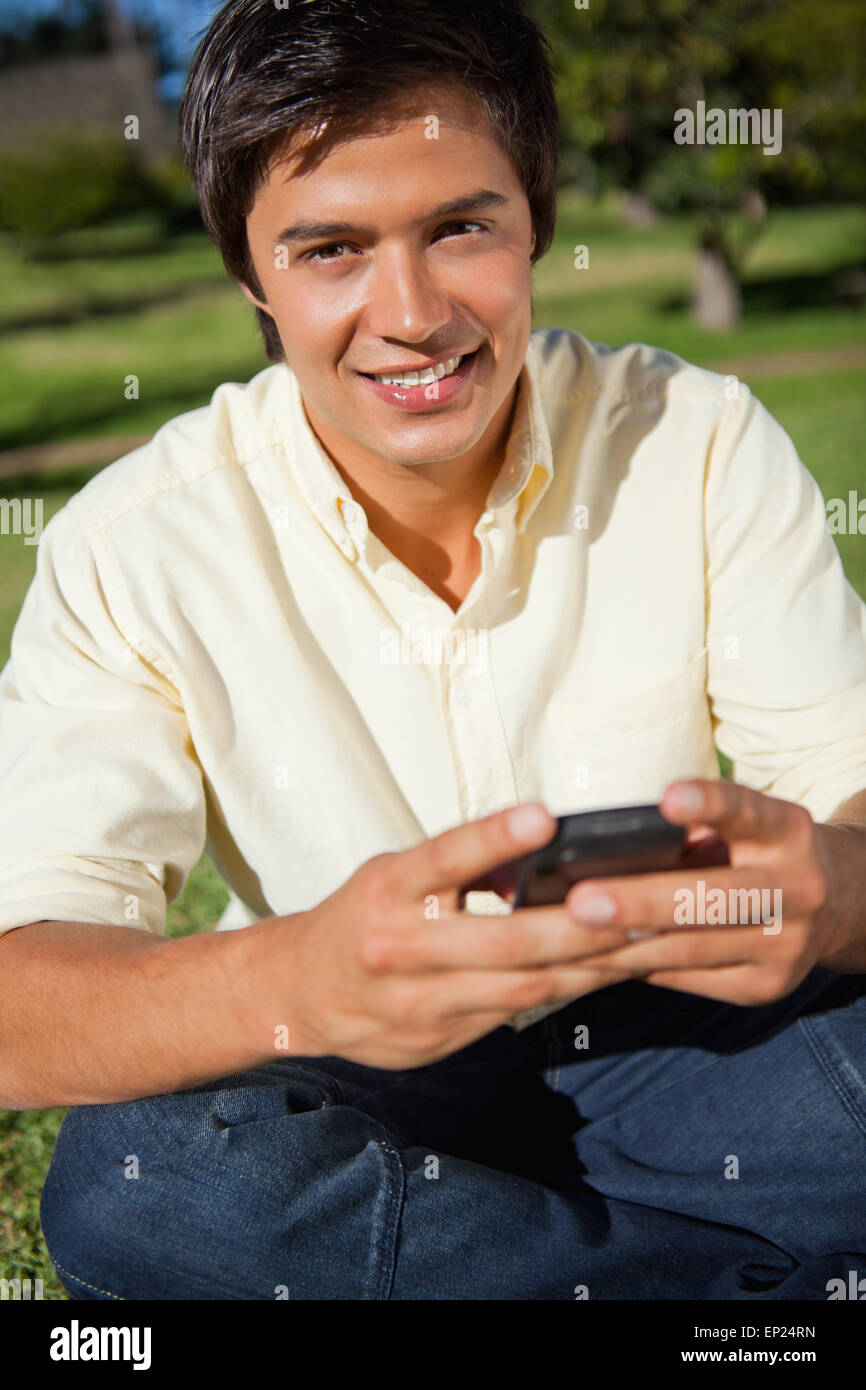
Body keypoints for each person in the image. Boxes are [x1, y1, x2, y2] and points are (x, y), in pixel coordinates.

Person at [1, 0, 866, 1301]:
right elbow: (24, 1007)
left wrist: (827, 893)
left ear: (535, 215)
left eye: (459, 226)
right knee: (150, 1182)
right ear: (247, 269)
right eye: (330, 249)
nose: (408, 314)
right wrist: (310, 976)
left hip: (668, 1039)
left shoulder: (696, 438)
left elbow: (848, 804)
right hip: (341, 1061)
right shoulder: (132, 543)